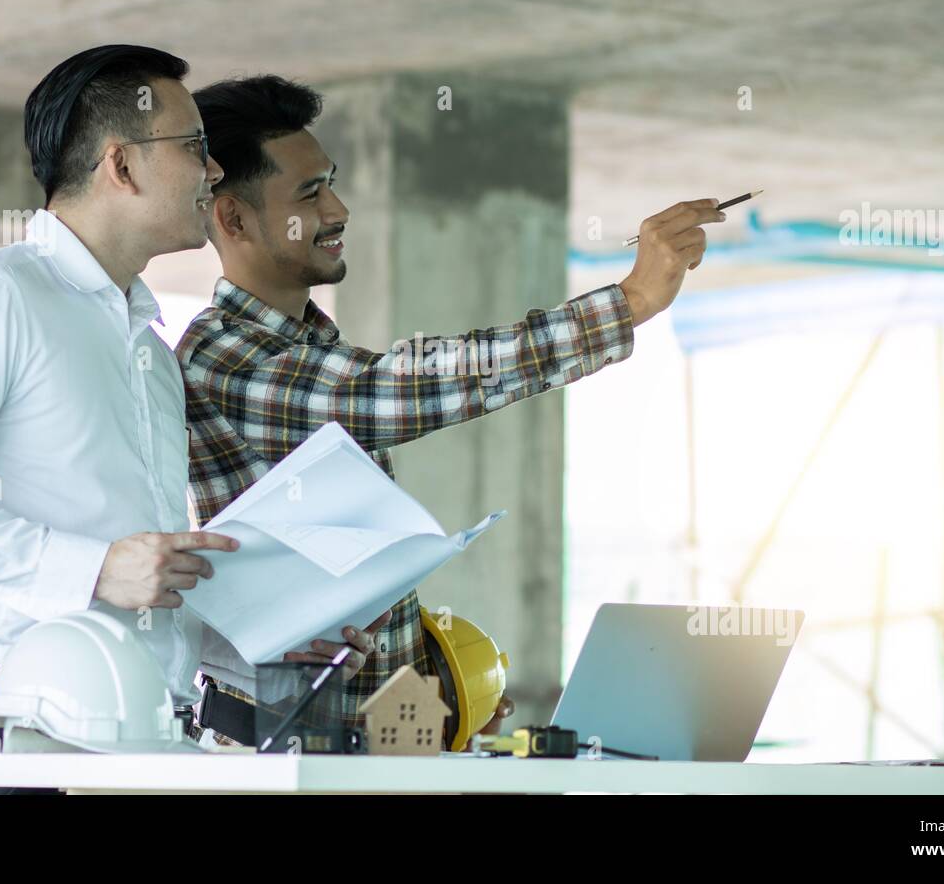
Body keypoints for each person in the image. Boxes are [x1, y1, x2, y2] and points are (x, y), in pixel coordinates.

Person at [178, 75, 723, 747]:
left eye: (333, 183)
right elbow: (402, 387)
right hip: (282, 749)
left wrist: (447, 687)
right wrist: (629, 303)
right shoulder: (226, 357)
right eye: (310, 193)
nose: (339, 208)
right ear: (233, 219)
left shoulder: (307, 346)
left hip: (352, 741)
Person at [0, 44, 260, 792]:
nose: (214, 173)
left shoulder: (148, 345)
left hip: (150, 739)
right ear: (123, 165)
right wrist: (96, 568)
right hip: (31, 738)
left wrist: (267, 644)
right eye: (197, 148)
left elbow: (144, 586)